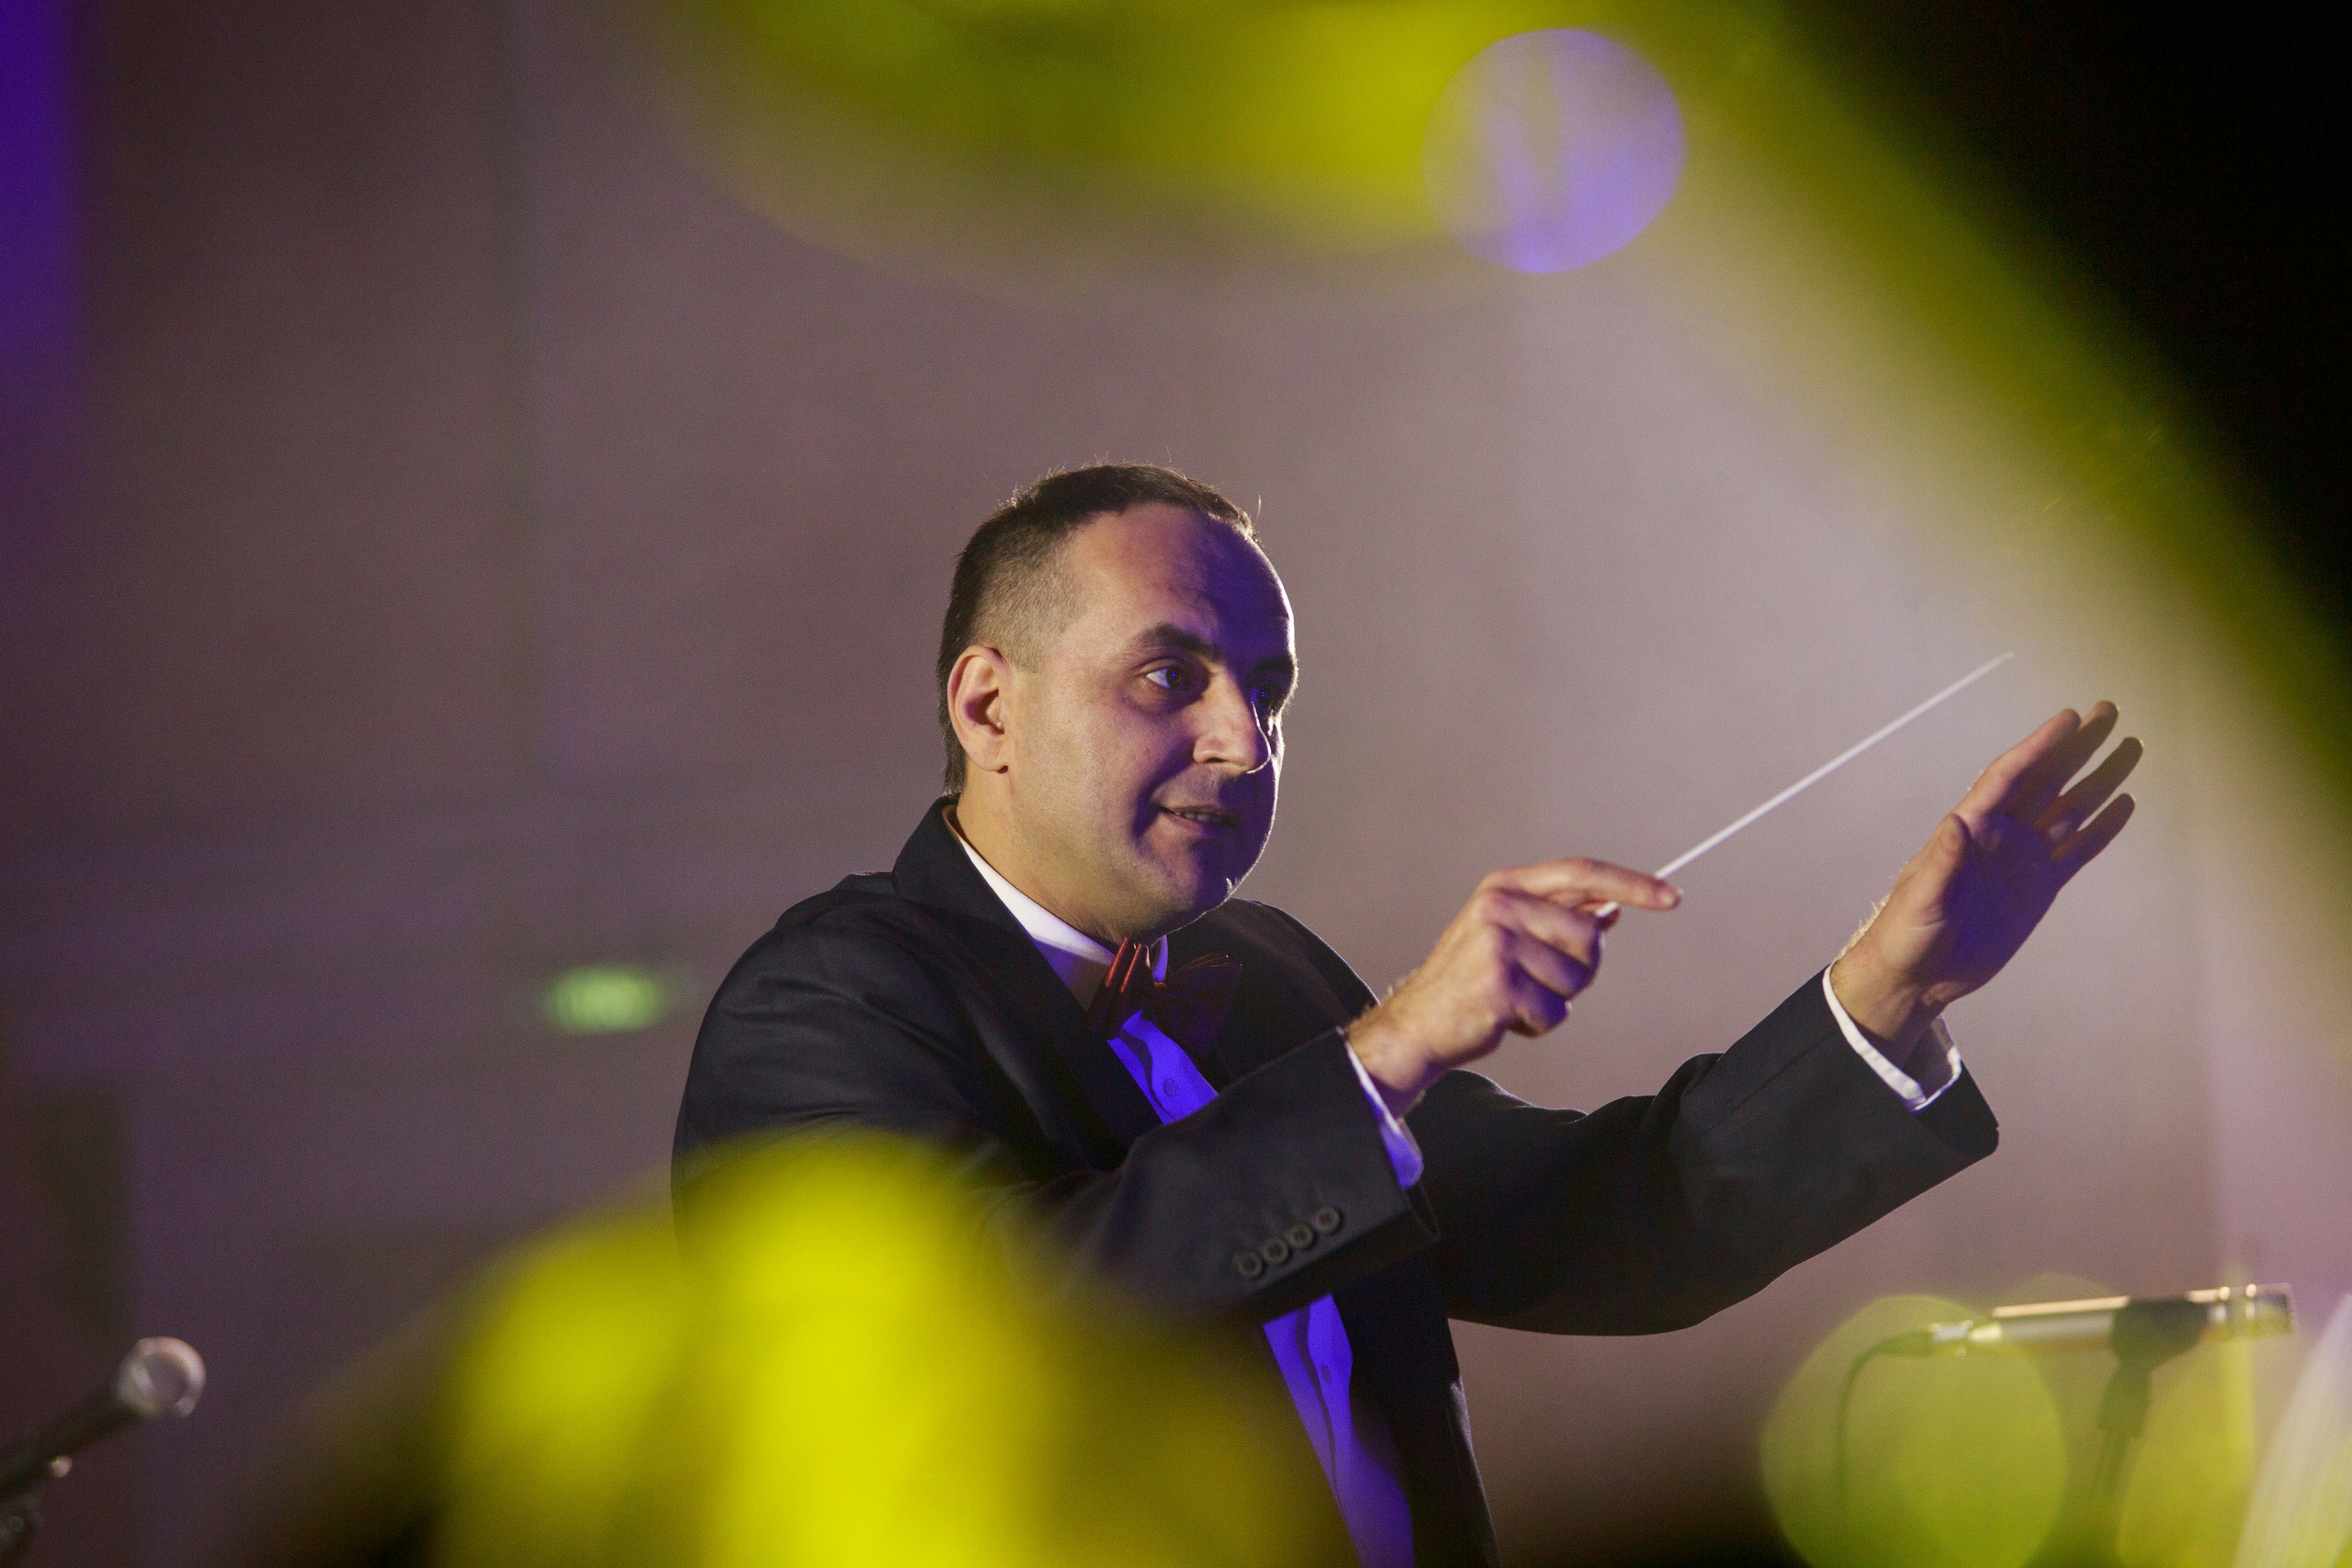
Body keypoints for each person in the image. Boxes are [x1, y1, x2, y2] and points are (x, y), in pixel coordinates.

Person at [673, 463, 2140, 1568]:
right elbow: (984, 1344)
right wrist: (1389, 1052)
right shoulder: (830, 1000)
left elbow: (1615, 1228)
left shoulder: (1264, 976)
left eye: (1268, 688)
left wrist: (1895, 987)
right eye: (1170, 677)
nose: (1243, 742)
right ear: (988, 707)